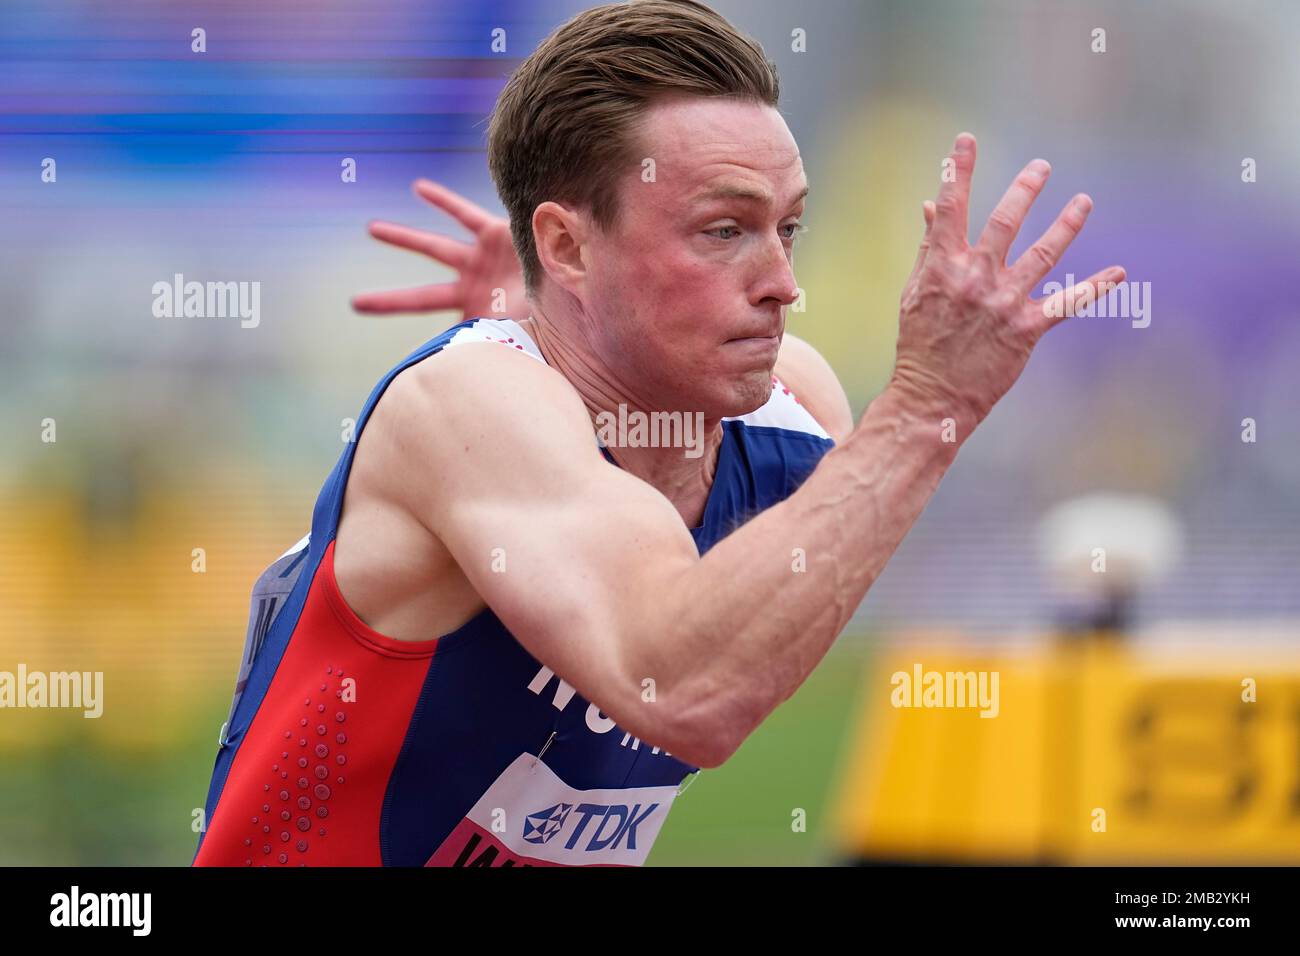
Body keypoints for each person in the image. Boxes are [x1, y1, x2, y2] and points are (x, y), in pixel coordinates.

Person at [193, 0, 1122, 867]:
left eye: (788, 228)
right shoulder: (466, 402)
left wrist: (598, 317)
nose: (782, 284)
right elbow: (681, 689)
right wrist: (924, 406)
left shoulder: (794, 411)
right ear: (564, 245)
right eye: (723, 230)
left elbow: (752, 645)